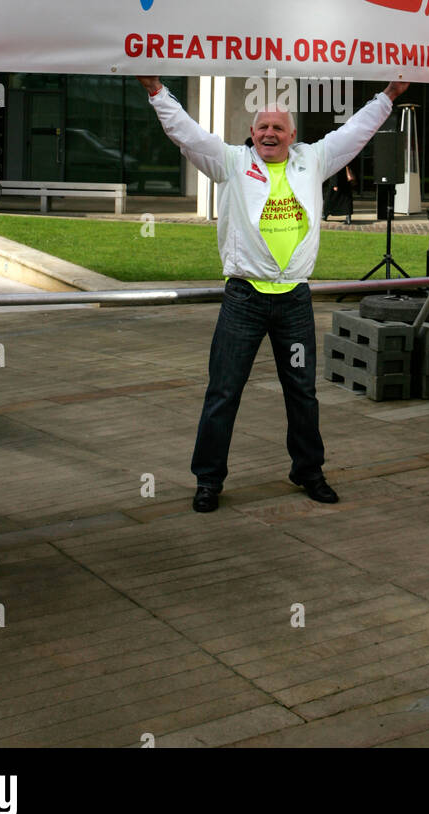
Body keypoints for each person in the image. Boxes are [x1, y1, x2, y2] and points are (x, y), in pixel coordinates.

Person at [138, 74, 409, 512]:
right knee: (224, 390)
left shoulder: (314, 160)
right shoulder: (229, 161)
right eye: (262, 127)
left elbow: (356, 132)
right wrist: (157, 92)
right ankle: (208, 481)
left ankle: (309, 472)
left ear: (292, 135)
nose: (269, 134)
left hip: (294, 304)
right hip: (243, 300)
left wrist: (389, 96)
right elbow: (185, 132)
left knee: (302, 391)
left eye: (278, 128)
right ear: (251, 133)